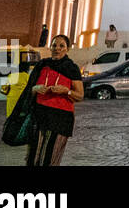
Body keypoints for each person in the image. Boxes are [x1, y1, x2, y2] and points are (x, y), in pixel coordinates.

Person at [23, 34, 84, 166]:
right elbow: (29, 90)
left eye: (61, 46)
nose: (57, 48)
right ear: (50, 47)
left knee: (50, 158)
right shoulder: (42, 65)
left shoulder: (71, 68)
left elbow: (79, 95)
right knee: (33, 157)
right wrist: (35, 88)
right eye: (54, 45)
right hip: (40, 116)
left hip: (60, 119)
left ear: (67, 49)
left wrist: (66, 91)